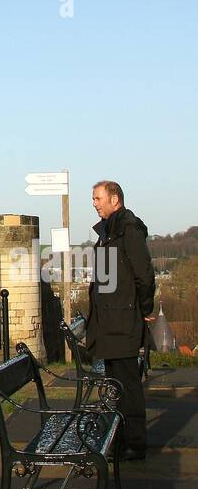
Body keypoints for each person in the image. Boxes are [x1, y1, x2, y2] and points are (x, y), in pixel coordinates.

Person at [87, 181, 155, 460]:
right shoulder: (109, 230)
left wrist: (145, 308)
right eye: (93, 198)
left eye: (98, 198)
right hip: (111, 322)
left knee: (127, 383)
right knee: (116, 383)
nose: (94, 203)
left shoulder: (127, 229)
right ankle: (120, 438)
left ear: (115, 199)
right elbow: (106, 279)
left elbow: (144, 274)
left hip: (123, 322)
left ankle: (135, 443)